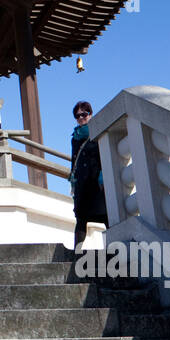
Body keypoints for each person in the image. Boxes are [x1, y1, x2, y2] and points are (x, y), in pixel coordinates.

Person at [68, 100, 108, 252]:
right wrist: (73, 182)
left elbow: (103, 156)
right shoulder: (75, 137)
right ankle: (76, 253)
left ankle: (114, 251)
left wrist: (103, 178)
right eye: (77, 116)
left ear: (91, 114)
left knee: (105, 217)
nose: (80, 118)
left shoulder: (98, 131)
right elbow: (74, 161)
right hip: (81, 184)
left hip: (96, 182)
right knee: (81, 219)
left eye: (84, 114)